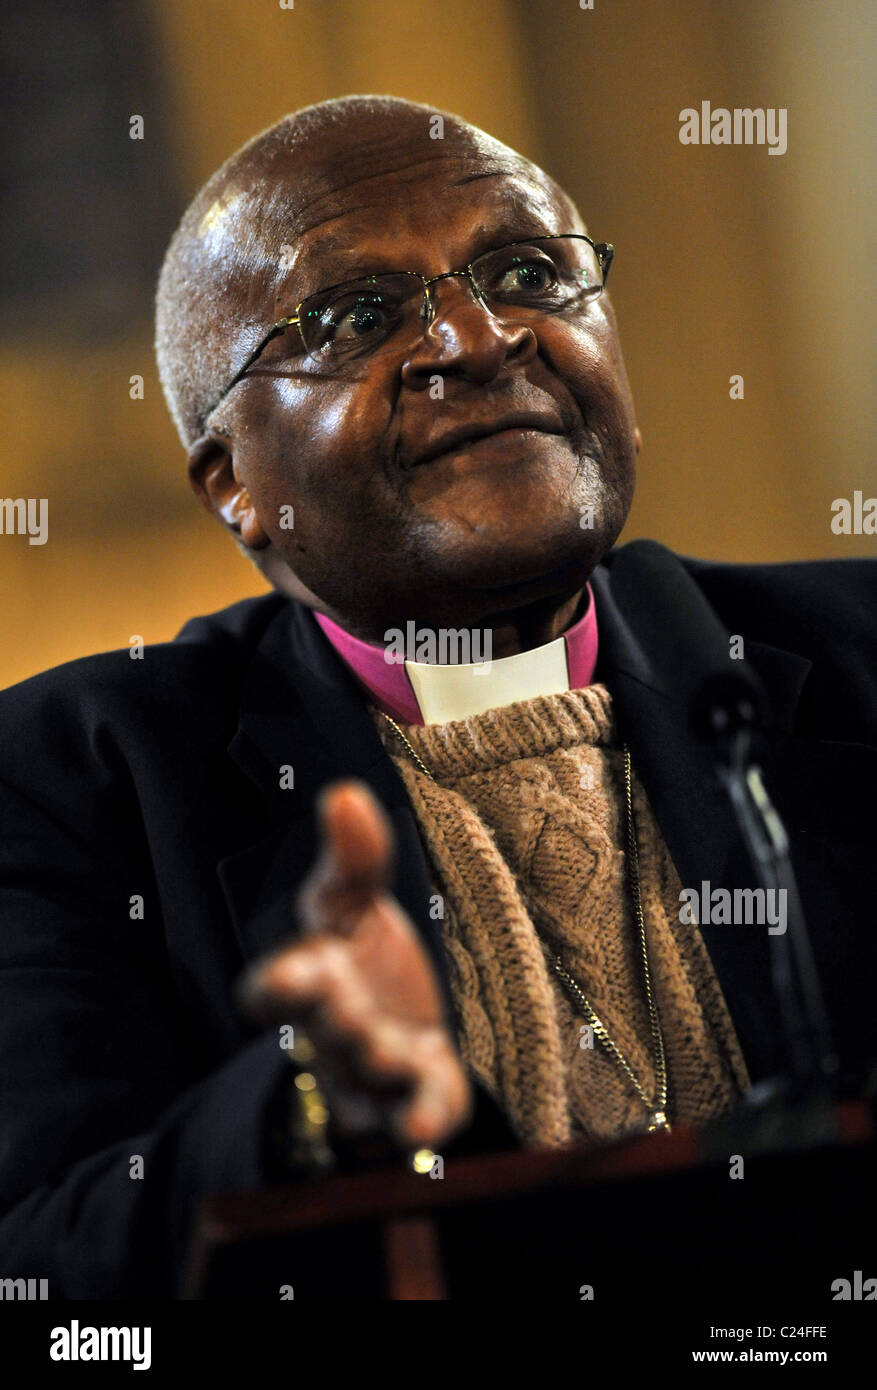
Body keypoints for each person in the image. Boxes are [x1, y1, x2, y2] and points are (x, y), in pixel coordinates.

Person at [0, 95, 874, 1299]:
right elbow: (38, 1265)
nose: (477, 337)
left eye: (524, 269)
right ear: (234, 485)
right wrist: (311, 1101)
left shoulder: (859, 657)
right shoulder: (72, 780)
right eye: (357, 313)